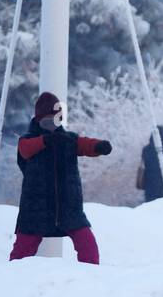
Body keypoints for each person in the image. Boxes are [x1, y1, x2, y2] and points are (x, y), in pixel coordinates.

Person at [10, 91, 112, 264]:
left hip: (68, 205)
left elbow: (85, 144)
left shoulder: (68, 139)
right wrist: (45, 141)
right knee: (22, 251)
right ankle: (9, 276)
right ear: (38, 119)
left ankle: (92, 276)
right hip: (36, 207)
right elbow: (25, 149)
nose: (53, 123)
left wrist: (98, 146)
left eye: (57, 119)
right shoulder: (27, 140)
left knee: (87, 244)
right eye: (48, 119)